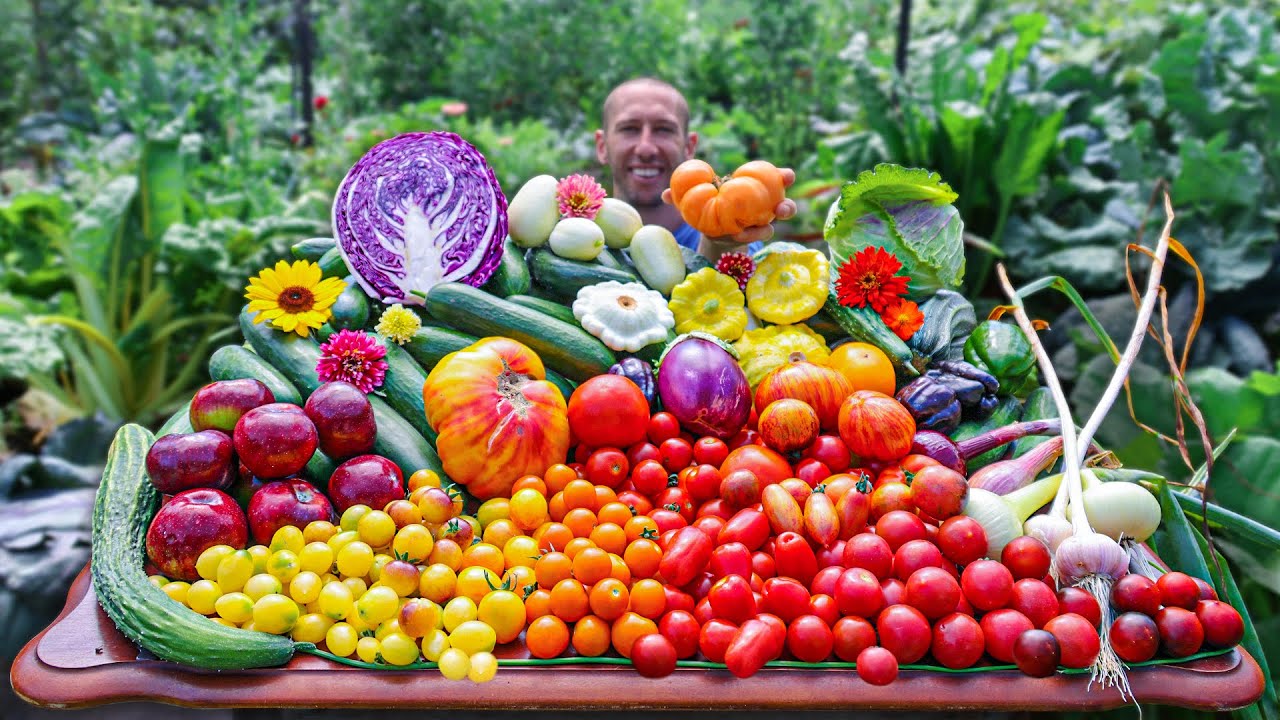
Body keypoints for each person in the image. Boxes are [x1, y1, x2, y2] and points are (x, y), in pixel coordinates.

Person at [594, 77, 797, 264]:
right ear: (602, 146)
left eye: (663, 129)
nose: (646, 148)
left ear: (690, 147)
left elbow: (732, 296)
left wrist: (721, 242)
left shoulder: (734, 230)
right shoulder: (573, 238)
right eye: (629, 129)